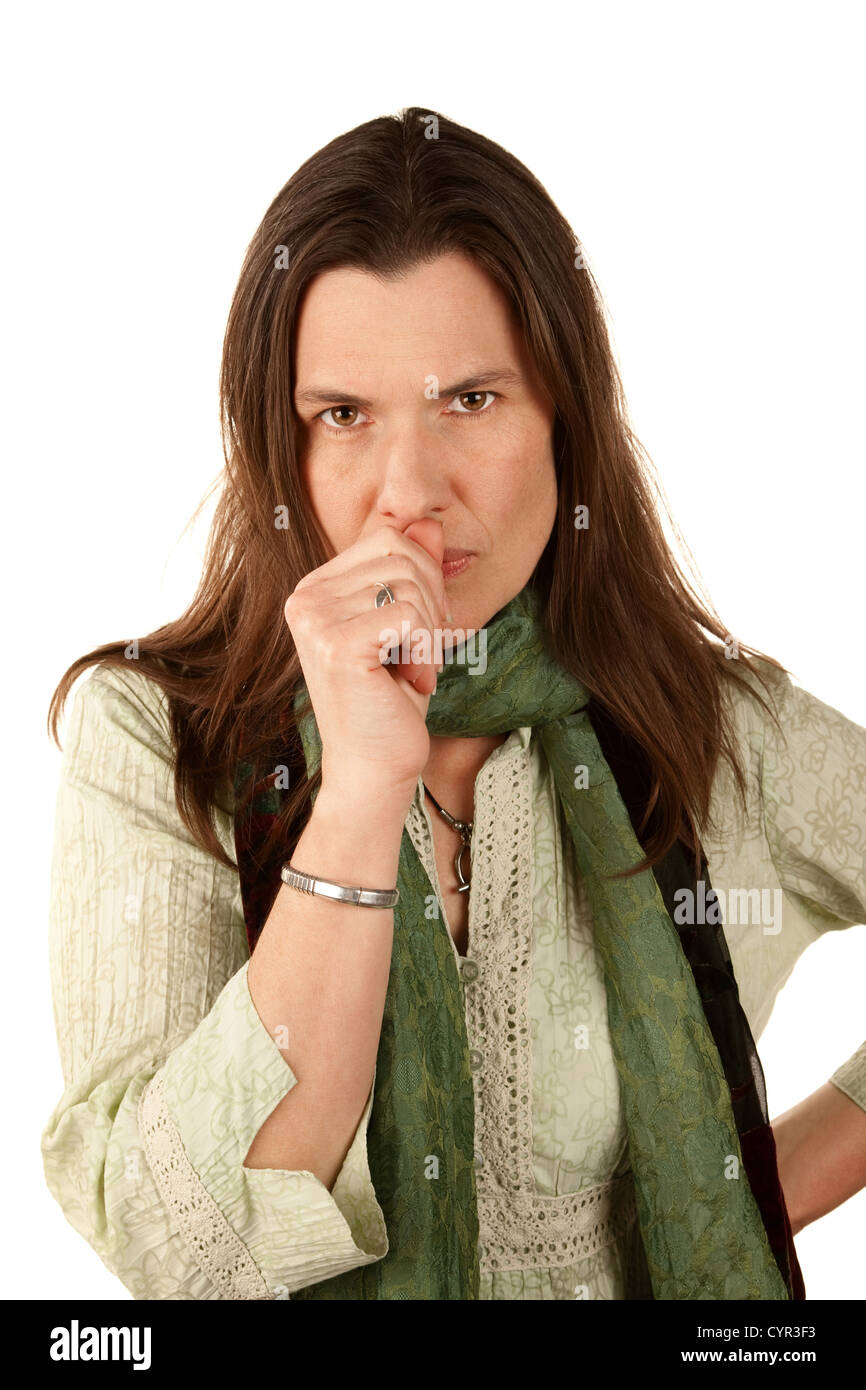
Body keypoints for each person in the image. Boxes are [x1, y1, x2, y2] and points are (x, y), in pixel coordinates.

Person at [42, 106, 866, 1300]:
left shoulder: (713, 729)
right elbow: (186, 1259)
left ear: (563, 420)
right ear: (284, 450)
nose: (408, 492)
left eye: (470, 400)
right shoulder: (154, 735)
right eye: (343, 415)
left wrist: (756, 1186)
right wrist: (363, 790)